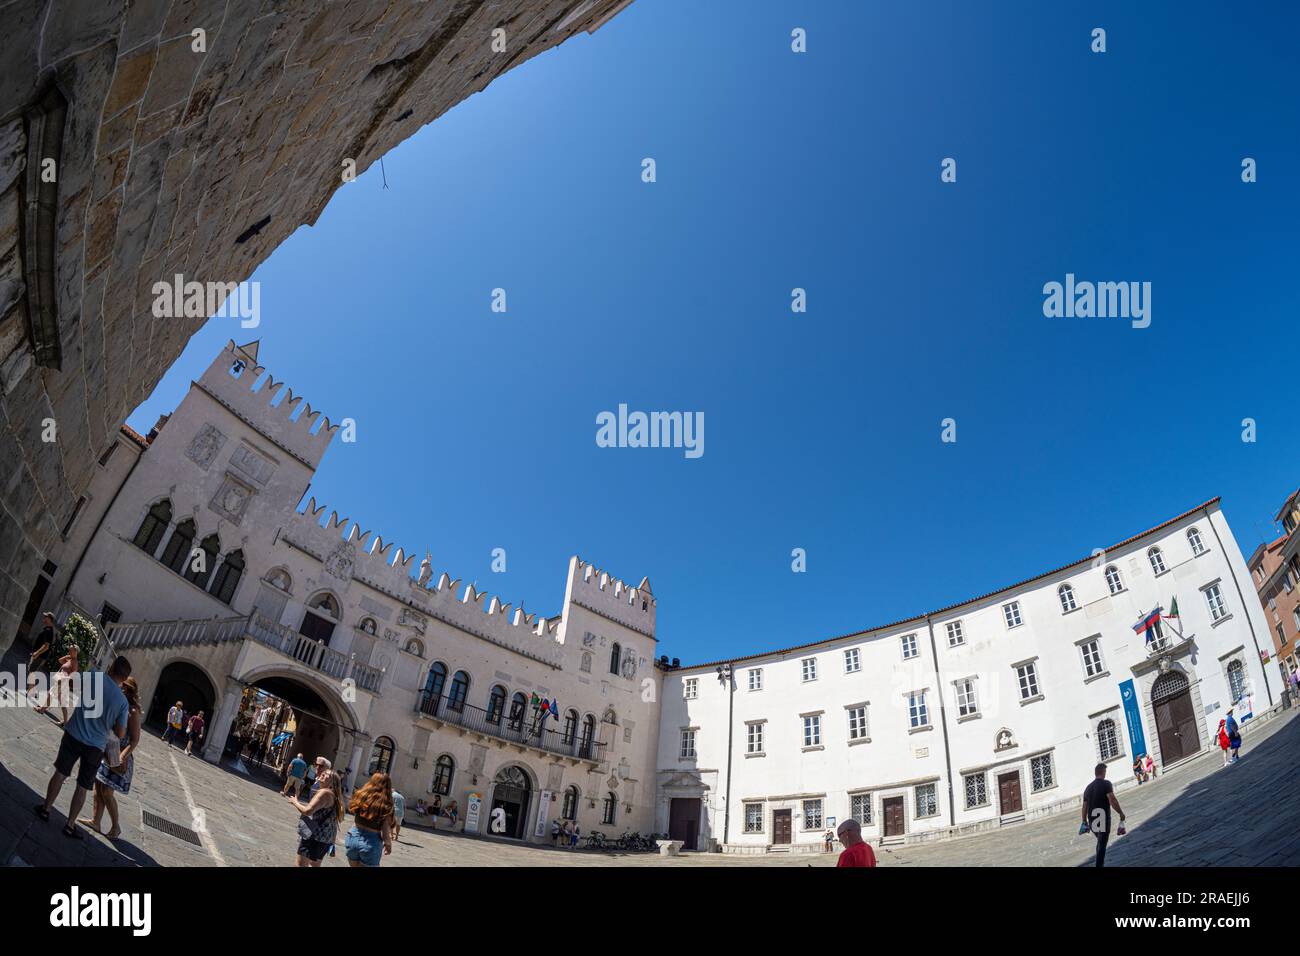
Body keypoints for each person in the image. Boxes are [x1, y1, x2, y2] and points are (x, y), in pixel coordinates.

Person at [33, 655, 132, 839]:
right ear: (125, 679)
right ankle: (70, 825)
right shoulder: (123, 702)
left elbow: (71, 686)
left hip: (74, 732)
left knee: (60, 773)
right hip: (96, 746)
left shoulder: (94, 675)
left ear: (110, 667)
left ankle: (46, 809)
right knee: (83, 786)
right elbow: (119, 733)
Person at [79, 677, 142, 839]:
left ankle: (116, 827)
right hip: (108, 748)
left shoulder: (133, 712)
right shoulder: (118, 704)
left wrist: (122, 755)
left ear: (128, 690)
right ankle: (95, 821)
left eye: (123, 687)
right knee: (98, 786)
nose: (119, 689)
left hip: (119, 753)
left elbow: (134, 740)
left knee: (107, 792)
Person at [289, 765, 343, 867]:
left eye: (327, 774)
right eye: (324, 772)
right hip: (325, 839)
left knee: (299, 865)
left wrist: (295, 802)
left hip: (314, 837)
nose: (323, 773)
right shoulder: (335, 796)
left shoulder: (324, 793)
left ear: (332, 782)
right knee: (314, 866)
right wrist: (333, 841)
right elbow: (334, 823)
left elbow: (307, 811)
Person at [1081, 762, 1126, 868]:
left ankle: (1099, 864)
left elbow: (1084, 807)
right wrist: (1120, 813)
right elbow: (1112, 800)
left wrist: (1084, 821)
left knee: (1100, 841)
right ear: (1103, 772)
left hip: (1092, 820)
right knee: (1102, 844)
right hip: (1102, 818)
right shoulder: (1106, 784)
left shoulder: (1088, 788)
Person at [345, 772, 394, 867]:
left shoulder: (361, 796)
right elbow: (385, 829)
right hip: (371, 842)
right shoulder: (385, 804)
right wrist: (388, 844)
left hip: (353, 837)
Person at [26, 612, 54, 698]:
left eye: (46, 617)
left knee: (32, 671)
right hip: (40, 654)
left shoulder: (49, 630)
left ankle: (31, 691)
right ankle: (32, 690)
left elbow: (46, 646)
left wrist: (37, 653)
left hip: (40, 655)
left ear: (49, 619)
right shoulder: (47, 629)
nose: (44, 617)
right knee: (31, 671)